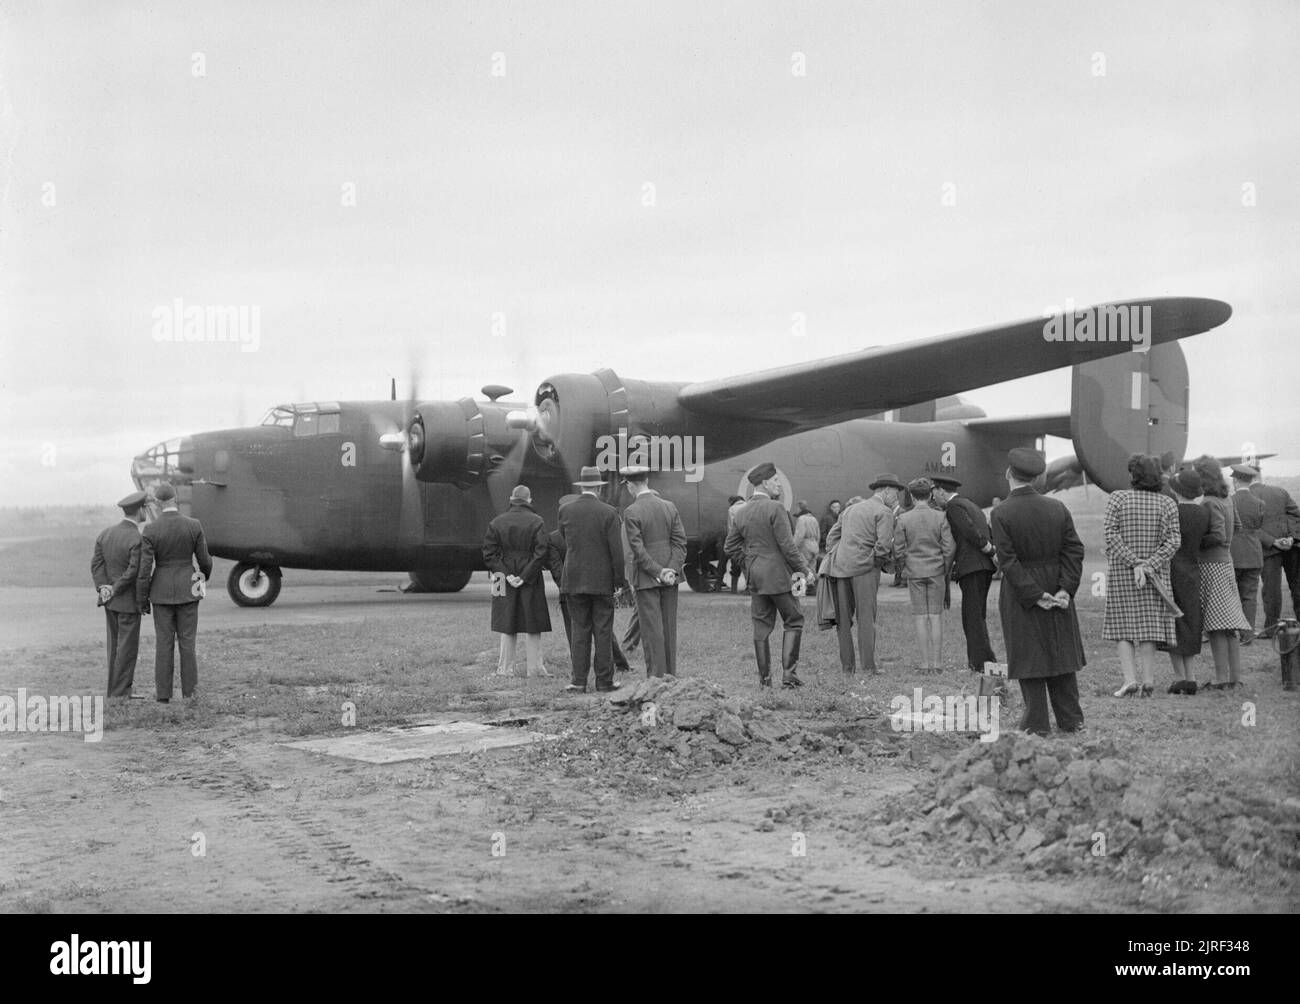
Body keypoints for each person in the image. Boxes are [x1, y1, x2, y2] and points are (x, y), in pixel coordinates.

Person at [991, 448, 1086, 735]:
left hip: (1022, 592)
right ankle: (1072, 719)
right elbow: (1074, 550)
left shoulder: (1001, 512)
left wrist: (1034, 595)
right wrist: (1065, 589)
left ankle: (1036, 723)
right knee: (1061, 654)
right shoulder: (1057, 508)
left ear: (1009, 474)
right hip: (1056, 583)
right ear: (1039, 477)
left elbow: (1007, 561)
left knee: (1028, 656)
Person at [724, 461, 810, 687]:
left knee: (761, 626)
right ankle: (789, 676)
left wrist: (750, 564)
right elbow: (788, 546)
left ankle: (765, 680)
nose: (779, 486)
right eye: (776, 482)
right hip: (779, 576)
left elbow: (730, 547)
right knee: (794, 620)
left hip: (756, 577)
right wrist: (805, 570)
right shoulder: (776, 508)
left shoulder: (741, 512)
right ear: (765, 483)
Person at [1103, 454, 1181, 697]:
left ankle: (1129, 680)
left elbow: (1110, 534)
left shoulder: (1118, 498)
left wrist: (1134, 562)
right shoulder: (1167, 503)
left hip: (1123, 572)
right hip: (1155, 576)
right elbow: (1174, 540)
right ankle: (1148, 680)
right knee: (1149, 626)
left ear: (1132, 475)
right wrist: (1149, 565)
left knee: (1123, 627)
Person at [136, 482, 212, 702]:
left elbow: (144, 569)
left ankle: (163, 694)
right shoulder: (193, 525)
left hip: (160, 592)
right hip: (188, 589)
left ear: (158, 504)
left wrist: (143, 599)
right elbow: (205, 560)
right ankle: (191, 693)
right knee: (188, 643)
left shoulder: (151, 530)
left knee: (164, 643)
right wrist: (202, 577)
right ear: (176, 499)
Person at [559, 466, 626, 693]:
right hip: (602, 580)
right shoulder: (609, 512)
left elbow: (563, 537)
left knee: (579, 630)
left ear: (581, 487)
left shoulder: (566, 511)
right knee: (603, 630)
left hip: (574, 578)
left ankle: (578, 681)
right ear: (598, 487)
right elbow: (616, 551)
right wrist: (619, 581)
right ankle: (604, 681)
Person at [824, 475, 901, 674]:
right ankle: (868, 667)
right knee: (866, 619)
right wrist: (873, 563)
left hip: (841, 569)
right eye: (895, 492)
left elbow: (832, 537)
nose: (897, 497)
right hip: (865, 570)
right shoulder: (884, 511)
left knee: (843, 621)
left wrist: (840, 555)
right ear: (886, 491)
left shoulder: (850, 509)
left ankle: (847, 667)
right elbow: (884, 546)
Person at [621, 465, 687, 678]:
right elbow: (680, 543)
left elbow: (638, 550)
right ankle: (670, 676)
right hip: (671, 578)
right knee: (669, 629)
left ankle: (656, 679)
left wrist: (658, 571)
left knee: (652, 632)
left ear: (630, 485)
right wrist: (671, 571)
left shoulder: (632, 512)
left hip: (647, 578)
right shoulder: (669, 506)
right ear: (647, 480)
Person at [1193, 456, 1252, 689]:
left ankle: (1220, 679)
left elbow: (1216, 535)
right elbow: (1236, 528)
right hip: (1226, 563)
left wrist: (1195, 542)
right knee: (1229, 626)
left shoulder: (1208, 501)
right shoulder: (1227, 498)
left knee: (1216, 625)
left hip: (1211, 566)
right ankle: (1234, 678)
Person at [482, 485, 552, 677]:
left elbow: (489, 554)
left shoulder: (496, 522)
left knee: (506, 622)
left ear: (511, 499)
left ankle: (505, 669)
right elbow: (541, 552)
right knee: (533, 621)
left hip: (501, 578)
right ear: (529, 500)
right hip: (531, 575)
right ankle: (535, 669)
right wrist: (524, 576)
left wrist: (506, 574)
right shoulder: (537, 521)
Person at [931, 475, 999, 674]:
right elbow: (987, 529)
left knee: (972, 617)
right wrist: (992, 550)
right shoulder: (971, 505)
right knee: (978, 615)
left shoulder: (954, 508)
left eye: (934, 493)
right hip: (983, 567)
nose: (934, 498)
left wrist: (988, 549)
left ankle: (978, 665)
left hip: (972, 566)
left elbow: (969, 530)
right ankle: (987, 661)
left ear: (942, 491)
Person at [893, 477, 955, 673]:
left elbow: (898, 549)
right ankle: (937, 664)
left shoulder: (903, 518)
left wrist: (904, 567)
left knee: (920, 617)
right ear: (930, 495)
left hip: (914, 571)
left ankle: (924, 663)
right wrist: (944, 567)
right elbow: (949, 547)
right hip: (936, 571)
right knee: (935, 616)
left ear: (911, 495)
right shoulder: (941, 517)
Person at [91, 490, 148, 698]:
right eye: (145, 508)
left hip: (109, 602)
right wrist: (115, 588)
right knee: (127, 649)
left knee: (114, 648)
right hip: (128, 602)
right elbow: (133, 571)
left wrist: (104, 587)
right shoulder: (137, 538)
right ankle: (121, 694)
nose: (146, 511)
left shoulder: (105, 534)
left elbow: (97, 564)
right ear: (139, 510)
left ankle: (115, 691)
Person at [1162, 468, 1210, 693]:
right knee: (1190, 622)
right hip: (1192, 570)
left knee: (1173, 622)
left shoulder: (1172, 511)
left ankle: (1179, 676)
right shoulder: (1202, 513)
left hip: (1171, 569)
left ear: (1177, 490)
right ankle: (1191, 677)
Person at [1250, 465, 1300, 639]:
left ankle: (1271, 628)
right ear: (1260, 476)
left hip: (1269, 549)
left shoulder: (1246, 498)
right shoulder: (1280, 491)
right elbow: (1296, 515)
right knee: (1297, 585)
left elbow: (1251, 528)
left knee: (1271, 589)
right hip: (1292, 547)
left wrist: (1273, 541)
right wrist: (1292, 538)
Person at [1229, 464, 1265, 645]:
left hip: (1233, 553)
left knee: (1230, 595)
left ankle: (1231, 632)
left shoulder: (1229, 501)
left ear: (1235, 480)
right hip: (1253, 553)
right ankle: (1248, 633)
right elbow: (1258, 526)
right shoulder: (1259, 503)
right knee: (1250, 596)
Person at [718, 494, 747, 592]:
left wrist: (731, 542)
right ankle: (749, 588)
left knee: (730, 562)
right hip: (747, 540)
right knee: (744, 564)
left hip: (736, 540)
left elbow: (731, 527)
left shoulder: (732, 509)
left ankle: (732, 589)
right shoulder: (748, 506)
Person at [792, 500, 821, 573]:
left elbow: (799, 536)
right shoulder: (814, 518)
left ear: (799, 508)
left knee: (803, 568)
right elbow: (818, 535)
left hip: (805, 546)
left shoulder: (801, 519)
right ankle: (813, 584)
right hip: (814, 545)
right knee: (812, 568)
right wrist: (816, 545)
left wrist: (793, 547)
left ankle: (804, 584)